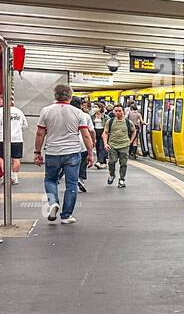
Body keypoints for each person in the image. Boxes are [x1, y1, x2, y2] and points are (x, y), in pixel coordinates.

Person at [32, 83, 94, 224]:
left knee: (50, 180)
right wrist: (90, 153)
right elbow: (85, 135)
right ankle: (66, 216)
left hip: (53, 152)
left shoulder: (46, 111)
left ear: (55, 95)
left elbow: (40, 133)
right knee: (71, 184)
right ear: (70, 97)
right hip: (72, 152)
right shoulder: (78, 113)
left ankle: (53, 202)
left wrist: (37, 152)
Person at [104, 104, 137, 188]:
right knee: (111, 162)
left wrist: (130, 141)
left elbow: (134, 131)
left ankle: (122, 179)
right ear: (113, 111)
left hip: (124, 145)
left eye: (119, 111)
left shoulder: (128, 122)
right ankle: (112, 174)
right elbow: (105, 133)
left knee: (123, 163)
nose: (118, 112)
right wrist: (105, 143)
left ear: (123, 112)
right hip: (113, 145)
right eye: (116, 111)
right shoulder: (110, 122)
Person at [5, 102, 26, 184]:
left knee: (2, 158)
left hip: (3, 137)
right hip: (17, 138)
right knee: (16, 158)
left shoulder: (1, 111)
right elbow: (25, 125)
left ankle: (5, 176)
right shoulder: (19, 112)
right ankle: (15, 177)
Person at [90, 103, 107, 168]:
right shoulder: (92, 116)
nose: (94, 108)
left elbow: (107, 126)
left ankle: (99, 161)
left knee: (101, 147)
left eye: (96, 107)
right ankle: (104, 162)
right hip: (95, 132)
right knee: (97, 147)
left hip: (102, 132)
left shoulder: (105, 117)